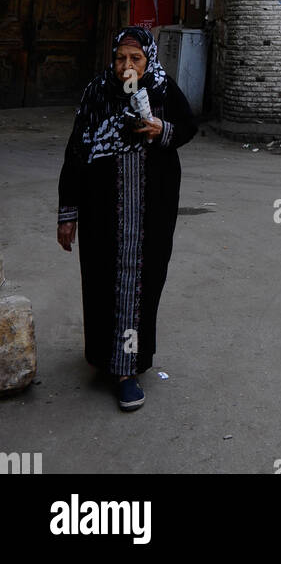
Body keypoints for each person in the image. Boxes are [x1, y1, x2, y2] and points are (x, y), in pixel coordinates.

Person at [57, 26, 197, 411]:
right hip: (102, 211)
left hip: (151, 212)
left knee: (142, 284)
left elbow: (187, 127)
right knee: (102, 280)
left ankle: (127, 369)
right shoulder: (96, 92)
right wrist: (67, 214)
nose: (127, 65)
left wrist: (161, 129)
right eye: (121, 57)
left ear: (148, 59)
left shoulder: (163, 90)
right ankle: (107, 359)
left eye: (135, 58)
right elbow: (75, 153)